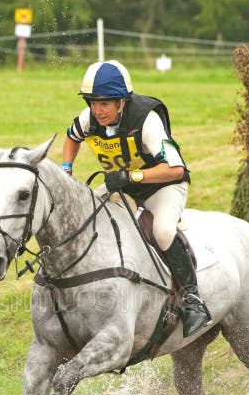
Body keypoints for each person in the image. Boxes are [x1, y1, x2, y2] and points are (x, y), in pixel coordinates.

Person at [61, 60, 210, 336]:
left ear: (122, 101)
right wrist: (66, 170)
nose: (97, 110)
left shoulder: (146, 119)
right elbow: (72, 138)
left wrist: (131, 177)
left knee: (163, 232)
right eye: (92, 102)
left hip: (163, 187)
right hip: (122, 186)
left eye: (104, 103)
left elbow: (175, 168)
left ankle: (193, 299)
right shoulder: (90, 117)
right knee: (85, 220)